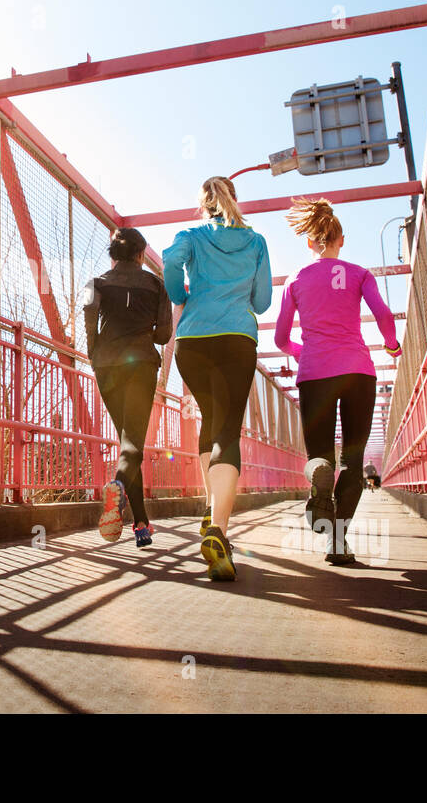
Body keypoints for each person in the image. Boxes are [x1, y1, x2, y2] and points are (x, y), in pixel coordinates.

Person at [274, 198, 400, 565]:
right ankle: (338, 542)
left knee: (319, 456)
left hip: (315, 373)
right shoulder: (360, 274)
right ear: (340, 240)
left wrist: (301, 351)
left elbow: (281, 339)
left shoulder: (296, 280)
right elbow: (384, 317)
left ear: (309, 243)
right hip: (358, 371)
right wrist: (391, 348)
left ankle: (318, 475)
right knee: (354, 459)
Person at [162, 176, 271, 580]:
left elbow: (170, 262)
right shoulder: (256, 242)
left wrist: (181, 295)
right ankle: (219, 532)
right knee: (227, 430)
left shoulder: (190, 235)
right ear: (233, 200)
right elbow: (262, 301)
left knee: (209, 421)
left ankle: (211, 511)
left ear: (203, 204)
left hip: (192, 341)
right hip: (235, 338)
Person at [82, 227, 173, 548]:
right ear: (139, 254)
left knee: (127, 444)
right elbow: (163, 336)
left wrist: (95, 357)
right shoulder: (156, 285)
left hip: (106, 366)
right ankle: (118, 488)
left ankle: (141, 523)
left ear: (113, 254)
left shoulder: (96, 284)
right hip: (141, 366)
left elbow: (89, 324)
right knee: (132, 444)